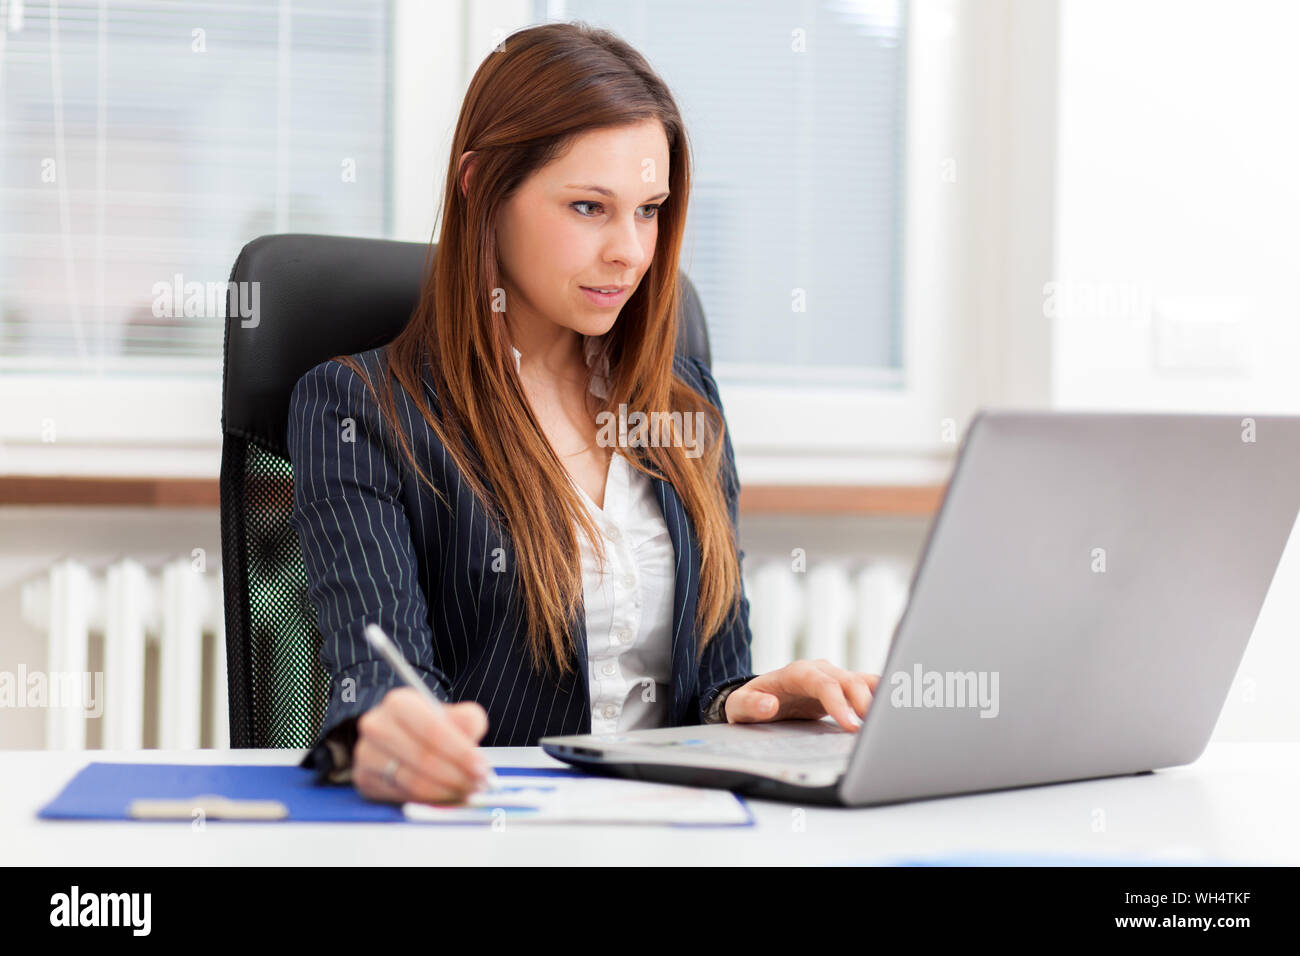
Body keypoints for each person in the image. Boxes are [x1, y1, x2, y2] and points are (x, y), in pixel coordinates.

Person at [287, 21, 879, 806]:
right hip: (491, 829)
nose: (631, 252)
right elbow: (377, 677)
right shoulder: (360, 408)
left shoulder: (682, 402)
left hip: (677, 832)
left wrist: (750, 702)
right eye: (589, 207)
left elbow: (708, 678)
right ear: (481, 188)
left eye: (650, 210)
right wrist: (390, 731)